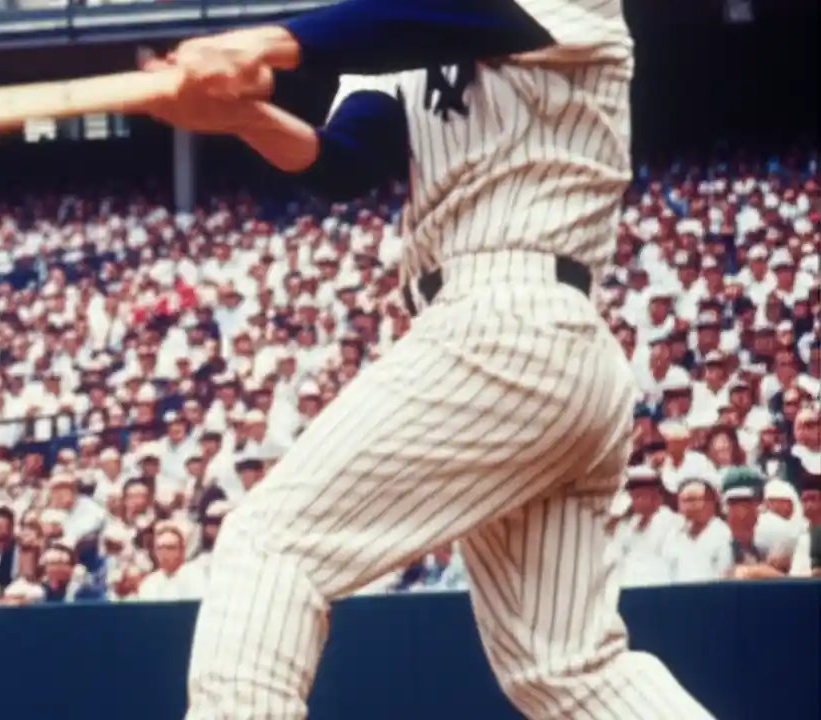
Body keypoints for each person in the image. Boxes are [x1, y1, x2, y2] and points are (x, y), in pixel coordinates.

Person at [139, 1, 714, 716]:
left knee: (270, 547)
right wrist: (243, 117)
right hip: (529, 347)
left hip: (510, 318)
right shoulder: (400, 30)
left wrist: (256, 43)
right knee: (569, 667)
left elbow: (442, 17)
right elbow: (347, 159)